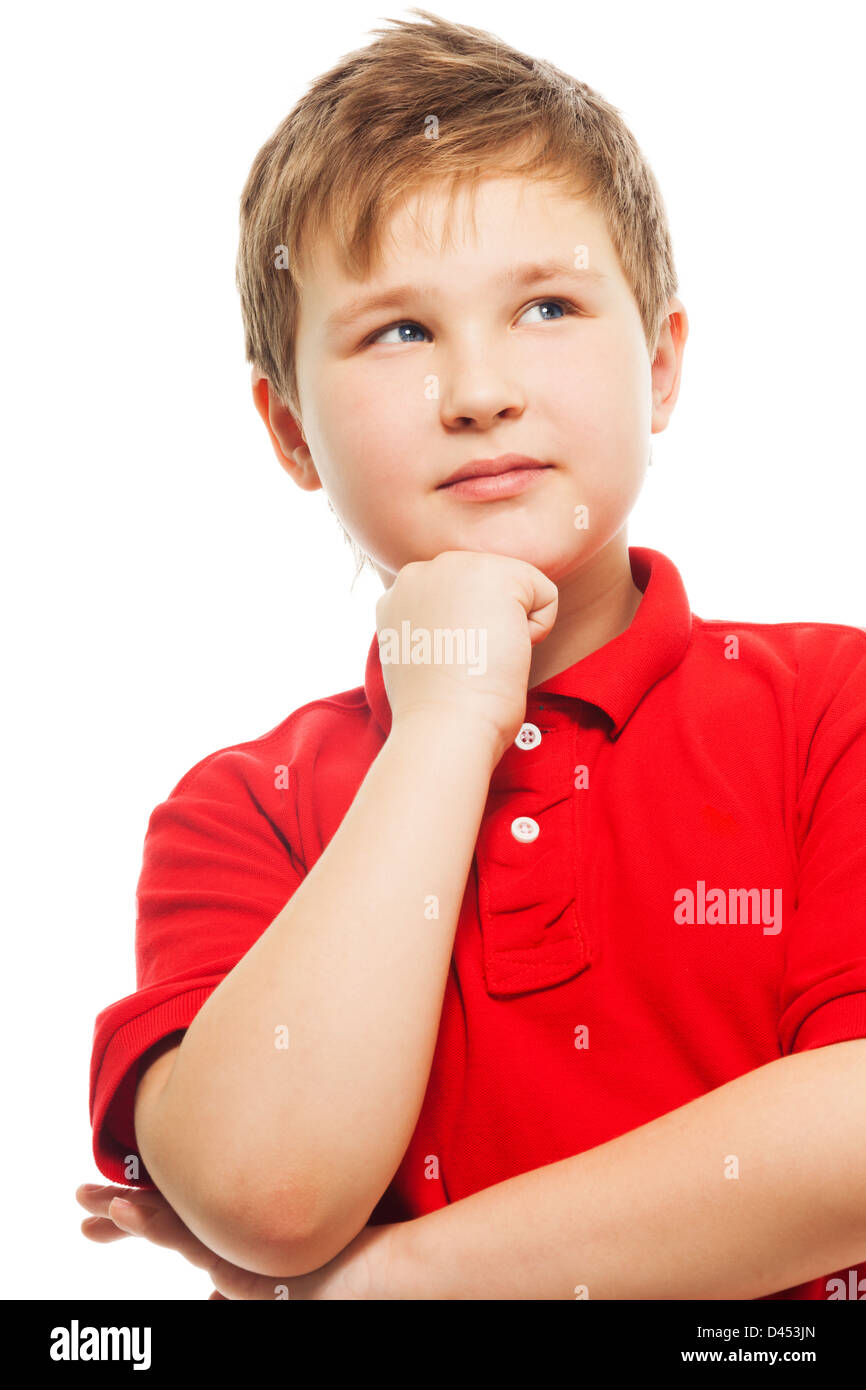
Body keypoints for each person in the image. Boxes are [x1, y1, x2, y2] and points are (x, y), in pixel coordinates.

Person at [78, 9, 866, 1300]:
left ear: (660, 365)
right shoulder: (241, 816)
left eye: (546, 305)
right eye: (399, 331)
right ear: (288, 432)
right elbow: (270, 1185)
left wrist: (381, 1287)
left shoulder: (827, 707)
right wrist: (447, 716)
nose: (479, 390)